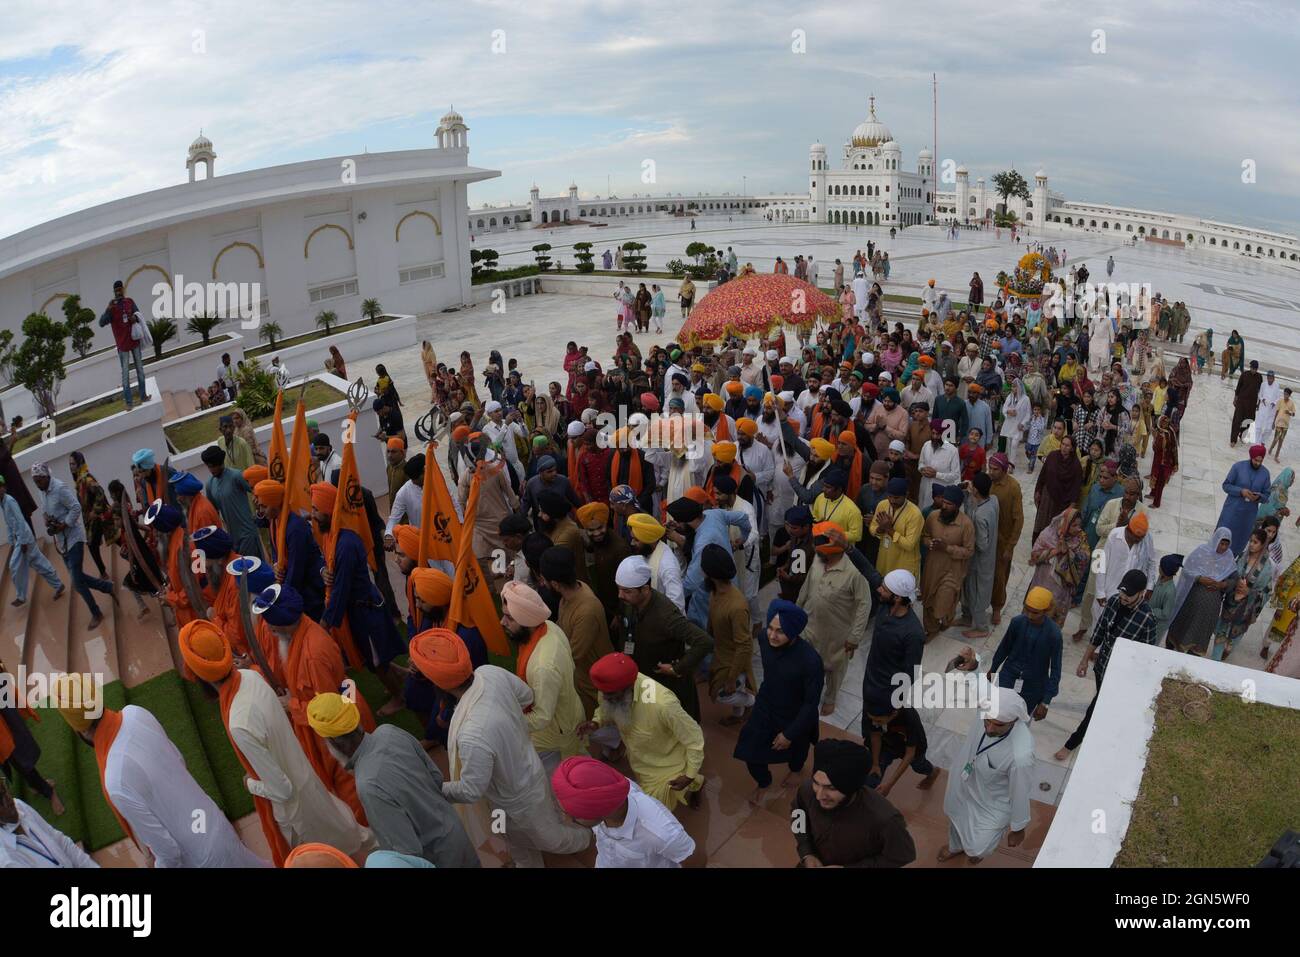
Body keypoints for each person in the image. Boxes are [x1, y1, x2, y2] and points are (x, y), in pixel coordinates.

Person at [178, 621, 371, 866]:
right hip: (308, 779)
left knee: (326, 857)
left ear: (198, 676)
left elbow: (282, 790)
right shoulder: (250, 676)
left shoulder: (239, 721)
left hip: (296, 813)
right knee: (348, 837)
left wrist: (251, 784)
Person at [411, 629, 590, 867]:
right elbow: (527, 697)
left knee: (552, 839)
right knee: (513, 841)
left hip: (518, 801)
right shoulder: (490, 672)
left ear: (437, 682)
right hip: (524, 782)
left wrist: (433, 787)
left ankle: (592, 838)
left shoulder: (471, 733)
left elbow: (471, 790)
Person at [54, 673, 269, 867]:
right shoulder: (135, 713)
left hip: (202, 857)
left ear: (76, 727)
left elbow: (168, 852)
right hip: (213, 821)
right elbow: (179, 759)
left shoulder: (115, 780)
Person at [307, 691, 480, 868]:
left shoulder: (368, 785)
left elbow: (406, 851)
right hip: (457, 835)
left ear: (332, 743)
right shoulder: (389, 731)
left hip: (439, 859)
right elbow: (436, 778)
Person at [579, 652, 706, 811]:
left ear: (629, 687)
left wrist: (689, 775)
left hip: (666, 768)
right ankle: (698, 783)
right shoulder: (609, 689)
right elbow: (606, 709)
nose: (605, 698)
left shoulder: (662, 704)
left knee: (654, 811)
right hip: (639, 761)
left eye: (610, 695)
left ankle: (694, 782)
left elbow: (694, 739)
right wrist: (596, 722)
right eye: (603, 693)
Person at [1056, 570, 1156, 759]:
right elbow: (1100, 632)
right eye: (1123, 593)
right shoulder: (1113, 602)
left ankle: (1071, 744)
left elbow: (1147, 657)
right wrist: (1084, 659)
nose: (1124, 598)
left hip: (1120, 676)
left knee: (1095, 707)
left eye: (1129, 595)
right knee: (1103, 705)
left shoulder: (1147, 620)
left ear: (1141, 593)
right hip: (1102, 667)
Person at [734, 600, 823, 806]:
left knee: (798, 749)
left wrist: (789, 733)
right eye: (771, 628)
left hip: (796, 712)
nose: (772, 635)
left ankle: (796, 769)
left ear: (793, 632)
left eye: (780, 631)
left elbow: (811, 703)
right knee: (750, 749)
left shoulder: (810, 661)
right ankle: (764, 782)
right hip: (767, 703)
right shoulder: (765, 640)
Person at [610, 546, 712, 722]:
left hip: (667, 686)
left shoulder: (666, 616)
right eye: (619, 589)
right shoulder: (630, 602)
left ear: (645, 589)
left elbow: (704, 642)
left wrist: (677, 668)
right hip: (645, 681)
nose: (621, 595)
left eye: (627, 591)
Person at [940, 690, 1034, 865]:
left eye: (998, 725)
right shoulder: (986, 710)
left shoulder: (1021, 756)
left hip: (993, 801)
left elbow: (1020, 793)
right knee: (955, 815)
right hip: (966, 781)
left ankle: (976, 849)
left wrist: (1018, 828)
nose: (990, 728)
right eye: (988, 721)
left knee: (978, 847)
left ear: (1013, 721)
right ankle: (955, 847)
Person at [500, 581, 585, 772]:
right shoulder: (547, 626)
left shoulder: (542, 666)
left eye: (508, 618)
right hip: (568, 713)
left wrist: (508, 720)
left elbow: (541, 717)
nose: (502, 622)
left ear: (525, 619)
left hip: (558, 731)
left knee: (567, 778)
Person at [791, 738, 917, 868]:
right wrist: (806, 852)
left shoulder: (885, 820)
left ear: (851, 786)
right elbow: (797, 812)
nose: (819, 795)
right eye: (816, 783)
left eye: (832, 788)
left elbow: (902, 856)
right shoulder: (806, 790)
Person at [550, 756, 695, 868]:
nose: (567, 820)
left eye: (574, 817)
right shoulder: (605, 791)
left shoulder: (662, 834)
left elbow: (695, 859)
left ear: (601, 812)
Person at [797, 522, 870, 714]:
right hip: (811, 626)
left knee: (834, 668)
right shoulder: (818, 561)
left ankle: (830, 697)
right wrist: (795, 614)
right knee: (809, 663)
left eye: (818, 546)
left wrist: (854, 637)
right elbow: (806, 587)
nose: (814, 549)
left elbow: (864, 604)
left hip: (837, 633)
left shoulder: (854, 573)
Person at [32, 463, 115, 630]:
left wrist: (64, 524)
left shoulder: (59, 488)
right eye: (35, 481)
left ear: (47, 477)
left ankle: (96, 612)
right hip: (61, 543)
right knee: (78, 580)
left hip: (74, 538)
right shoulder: (42, 491)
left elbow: (75, 507)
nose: (37, 484)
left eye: (39, 480)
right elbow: (45, 510)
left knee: (77, 581)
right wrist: (47, 519)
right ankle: (107, 587)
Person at [539, 546, 614, 719]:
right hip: (581, 681)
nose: (542, 583)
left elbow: (571, 657)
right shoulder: (569, 595)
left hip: (593, 689)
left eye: (544, 579)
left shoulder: (586, 610)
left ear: (556, 584)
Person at [989, 587, 1062, 719]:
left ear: (1046, 611)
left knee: (1020, 719)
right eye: (1027, 609)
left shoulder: (1054, 634)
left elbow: (1056, 669)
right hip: (1008, 675)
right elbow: (1004, 648)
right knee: (996, 713)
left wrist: (1046, 701)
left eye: (1035, 613)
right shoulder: (1017, 622)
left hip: (1034, 685)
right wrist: (993, 669)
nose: (1029, 615)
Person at [1166, 528, 1238, 655]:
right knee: (1181, 628)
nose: (1224, 547)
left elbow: (1234, 579)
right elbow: (1187, 570)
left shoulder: (1229, 557)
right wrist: (1199, 578)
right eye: (1222, 543)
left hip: (1210, 610)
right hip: (1191, 603)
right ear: (1216, 540)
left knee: (1200, 634)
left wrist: (1222, 584)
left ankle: (1192, 655)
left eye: (1227, 544)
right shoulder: (1202, 551)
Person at [702, 544, 755, 719]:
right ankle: (738, 715)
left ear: (710, 574)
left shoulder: (737, 606)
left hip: (732, 661)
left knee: (722, 694)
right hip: (720, 654)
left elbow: (744, 646)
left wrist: (732, 677)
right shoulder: (715, 592)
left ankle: (752, 702)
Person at [0, 771, 95, 867]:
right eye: (0, 800)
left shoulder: (19, 805)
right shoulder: (6, 861)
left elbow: (59, 840)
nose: (7, 799)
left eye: (3, 788)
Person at [1211, 526, 1274, 660]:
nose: (1251, 545)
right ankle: (1215, 659)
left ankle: (1227, 651)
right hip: (1231, 603)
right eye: (1250, 541)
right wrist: (1233, 583)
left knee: (1233, 638)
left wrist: (1249, 592)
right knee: (1221, 634)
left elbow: (1267, 592)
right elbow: (1230, 573)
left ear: (1263, 545)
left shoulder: (1267, 568)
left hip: (1245, 610)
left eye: (1255, 542)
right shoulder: (1241, 557)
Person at [1, 476, 64, 607]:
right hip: (21, 539)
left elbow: (20, 520)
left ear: (4, 487)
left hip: (24, 539)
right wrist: (12, 541)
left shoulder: (9, 501)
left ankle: (21, 596)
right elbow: (9, 523)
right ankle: (58, 585)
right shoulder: (2, 503)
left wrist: (22, 541)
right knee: (38, 563)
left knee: (14, 565)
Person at [1027, 506, 1090, 629]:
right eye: (1074, 526)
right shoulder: (1048, 534)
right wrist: (1055, 551)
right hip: (1043, 582)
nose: (1078, 529)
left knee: (1051, 622)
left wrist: (1068, 553)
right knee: (1036, 611)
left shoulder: (1081, 539)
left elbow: (1084, 559)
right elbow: (1034, 556)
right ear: (1064, 524)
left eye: (1079, 525)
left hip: (1062, 590)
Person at [200, 445, 264, 560]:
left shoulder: (236, 476)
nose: (211, 470)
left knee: (253, 569)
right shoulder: (210, 484)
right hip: (232, 537)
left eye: (213, 466)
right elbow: (213, 512)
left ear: (220, 463)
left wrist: (259, 510)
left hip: (247, 533)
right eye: (209, 467)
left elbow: (257, 489)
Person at [97, 279, 149, 409]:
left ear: (123, 289)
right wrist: (108, 309)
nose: (118, 292)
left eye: (120, 289)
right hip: (122, 346)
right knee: (125, 374)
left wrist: (134, 318)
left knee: (140, 370)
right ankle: (129, 403)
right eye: (116, 290)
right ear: (114, 292)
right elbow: (101, 323)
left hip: (134, 341)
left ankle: (143, 396)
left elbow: (139, 315)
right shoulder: (112, 307)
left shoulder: (130, 302)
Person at [960, 474, 999, 639]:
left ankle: (981, 628)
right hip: (988, 557)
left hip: (980, 561)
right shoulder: (994, 500)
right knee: (969, 587)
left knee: (977, 592)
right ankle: (966, 617)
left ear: (976, 489)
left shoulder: (980, 515)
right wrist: (969, 494)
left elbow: (982, 544)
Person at [987, 454, 1024, 624]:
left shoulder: (1013, 487)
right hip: (986, 537)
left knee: (1000, 576)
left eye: (995, 470)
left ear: (1004, 470)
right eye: (990, 468)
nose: (991, 472)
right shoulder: (987, 482)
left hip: (1003, 541)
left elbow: (1018, 519)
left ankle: (996, 607)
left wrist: (1010, 546)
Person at [1216, 445, 1271, 556]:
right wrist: (1241, 491)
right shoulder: (1238, 467)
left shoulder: (1265, 473)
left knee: (1239, 540)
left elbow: (1267, 495)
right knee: (1223, 536)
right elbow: (1226, 486)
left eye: (1260, 461)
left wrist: (1259, 497)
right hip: (1231, 511)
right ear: (1251, 457)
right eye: (1256, 460)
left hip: (1248, 515)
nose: (1258, 463)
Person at [68, 452, 115, 579]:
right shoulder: (80, 480)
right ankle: (103, 571)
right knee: (95, 544)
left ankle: (103, 572)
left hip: (98, 518)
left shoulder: (86, 479)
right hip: (91, 519)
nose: (71, 466)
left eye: (73, 463)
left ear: (79, 464)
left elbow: (100, 492)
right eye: (70, 464)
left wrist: (95, 511)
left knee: (93, 545)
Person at [868, 476, 923, 577]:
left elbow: (909, 545)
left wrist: (889, 530)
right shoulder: (882, 505)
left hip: (904, 564)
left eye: (896, 498)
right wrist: (880, 529)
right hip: (884, 560)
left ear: (906, 495)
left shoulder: (915, 514)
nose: (892, 501)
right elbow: (872, 528)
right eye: (890, 496)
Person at [1032, 434, 1083, 541]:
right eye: (1063, 444)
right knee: (1041, 524)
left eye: (1067, 446)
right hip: (1047, 497)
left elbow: (1076, 488)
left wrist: (1071, 506)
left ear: (1072, 448)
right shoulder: (1052, 456)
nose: (1064, 447)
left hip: (1061, 502)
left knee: (1055, 528)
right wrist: (1038, 490)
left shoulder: (1076, 466)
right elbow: (1043, 474)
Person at [1229, 359, 1263, 444]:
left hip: (1252, 403)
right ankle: (1233, 440)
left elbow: (1260, 391)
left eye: (1255, 369)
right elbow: (1238, 387)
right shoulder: (1244, 375)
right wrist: (1235, 399)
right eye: (1252, 368)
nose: (1254, 370)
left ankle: (1242, 435)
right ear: (1250, 367)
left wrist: (1258, 403)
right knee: (1237, 420)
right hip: (1241, 401)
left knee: (1249, 420)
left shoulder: (1259, 377)